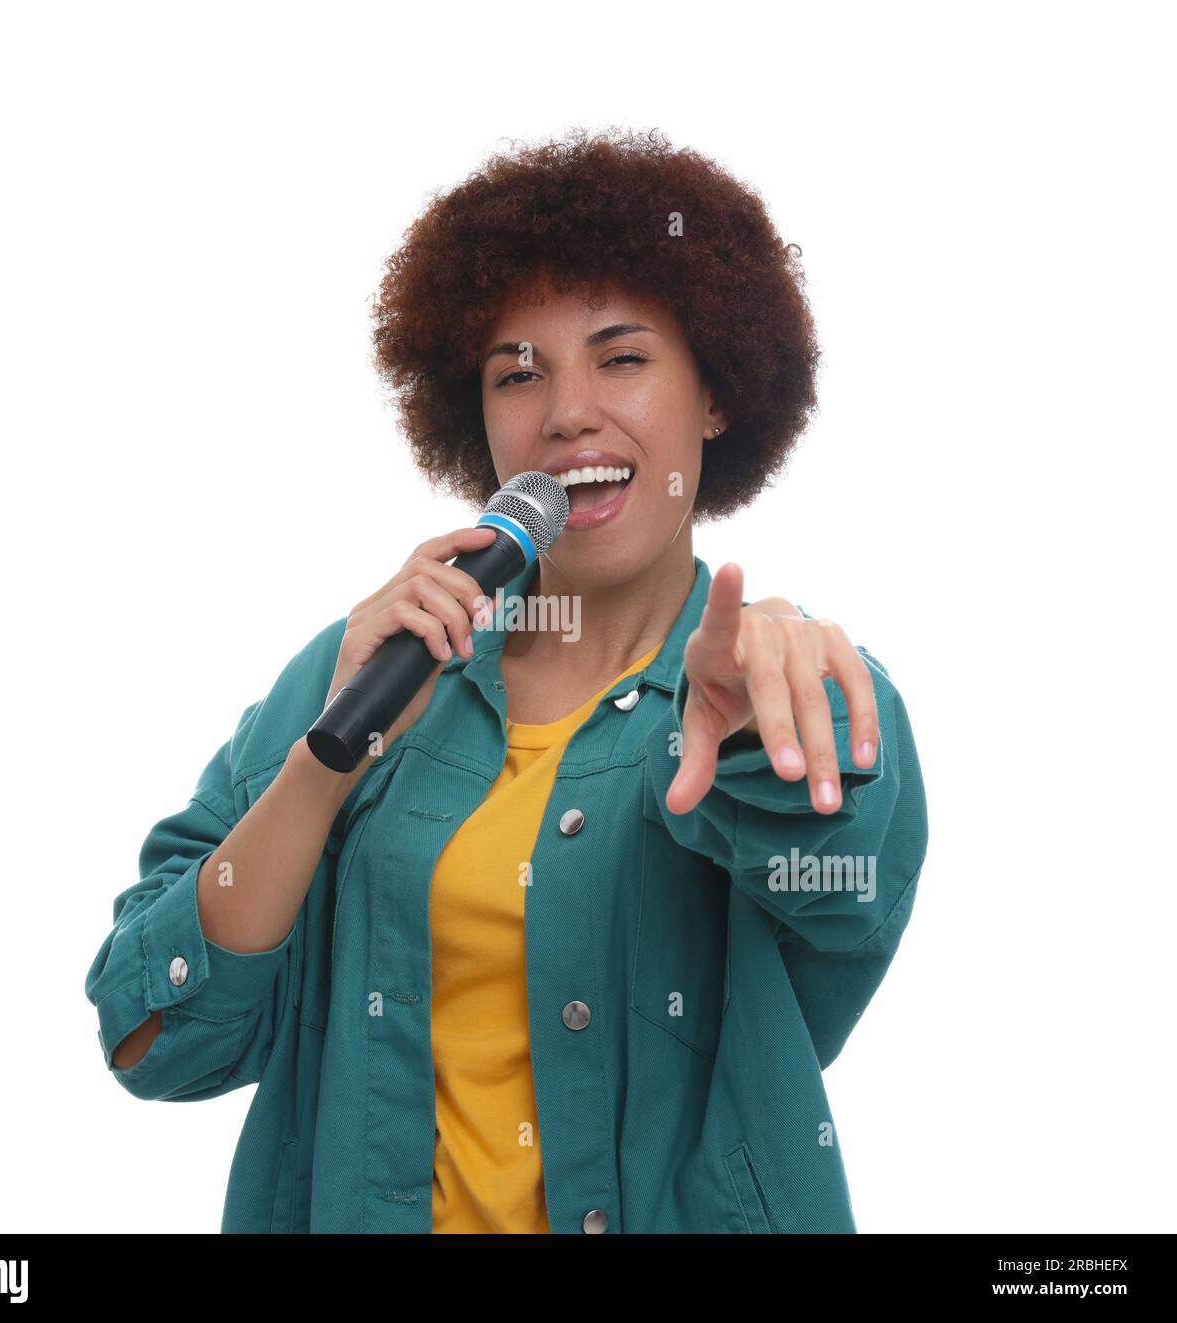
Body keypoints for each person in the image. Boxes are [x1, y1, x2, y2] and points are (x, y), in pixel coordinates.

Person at [85, 126, 928, 1234]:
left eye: (621, 358)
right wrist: (330, 758)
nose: (566, 409)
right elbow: (155, 1038)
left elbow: (835, 859)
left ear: (716, 397)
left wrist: (736, 723)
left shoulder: (794, 680)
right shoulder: (366, 668)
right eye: (515, 372)